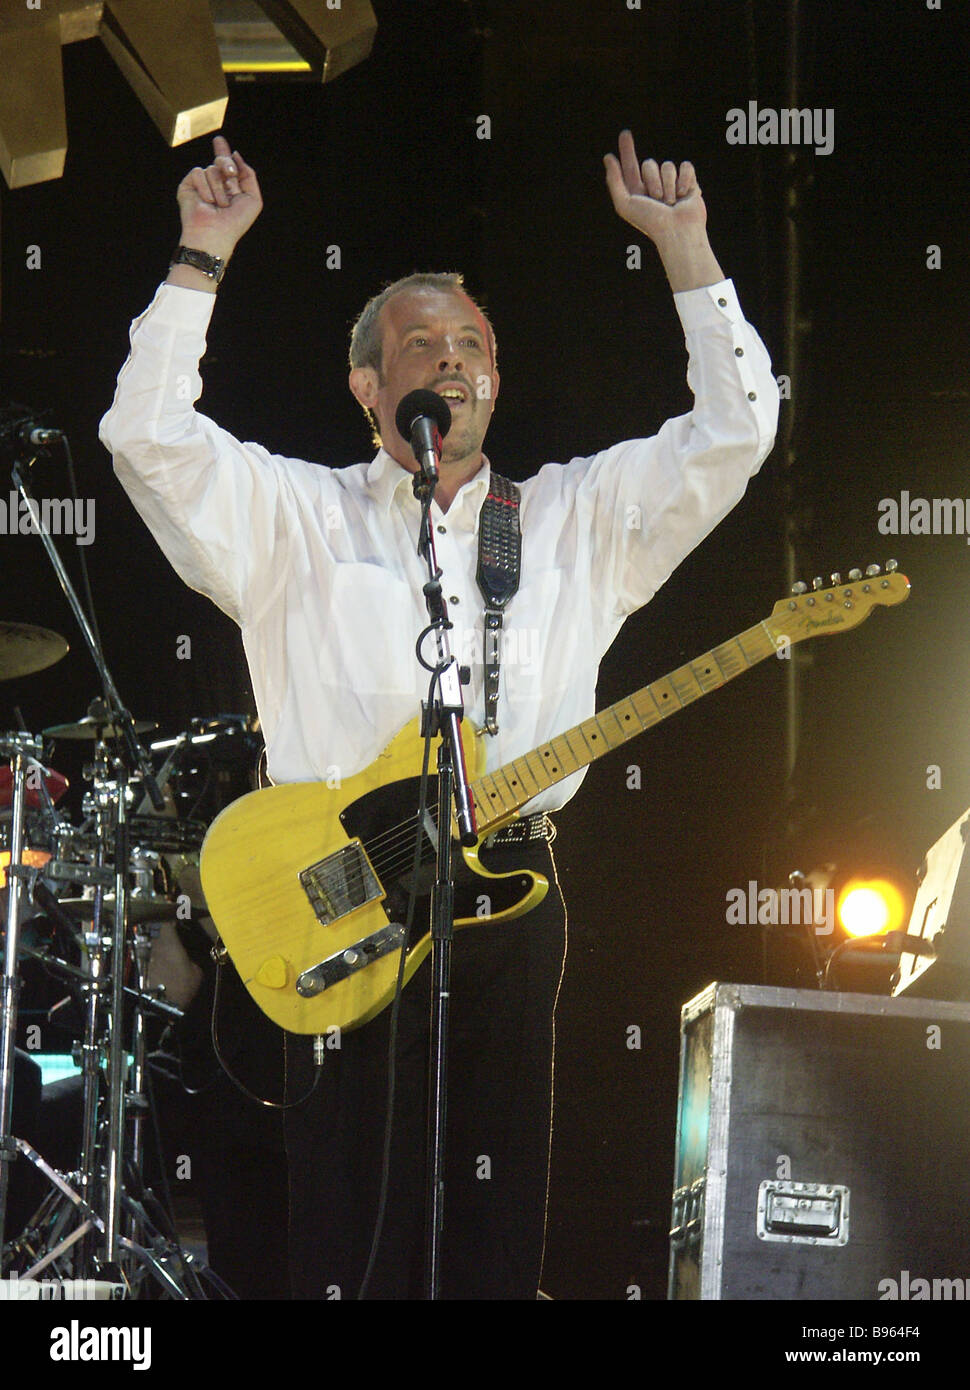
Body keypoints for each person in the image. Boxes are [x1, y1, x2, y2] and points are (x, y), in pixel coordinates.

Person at [99, 130, 778, 1299]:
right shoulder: (293, 518)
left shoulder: (575, 517)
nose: (452, 360)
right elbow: (144, 438)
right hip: (341, 899)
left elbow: (736, 431)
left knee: (493, 1219)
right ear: (367, 385)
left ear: (496, 379)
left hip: (512, 898)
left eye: (472, 344)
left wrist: (686, 250)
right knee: (349, 1217)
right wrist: (202, 257)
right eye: (421, 344)